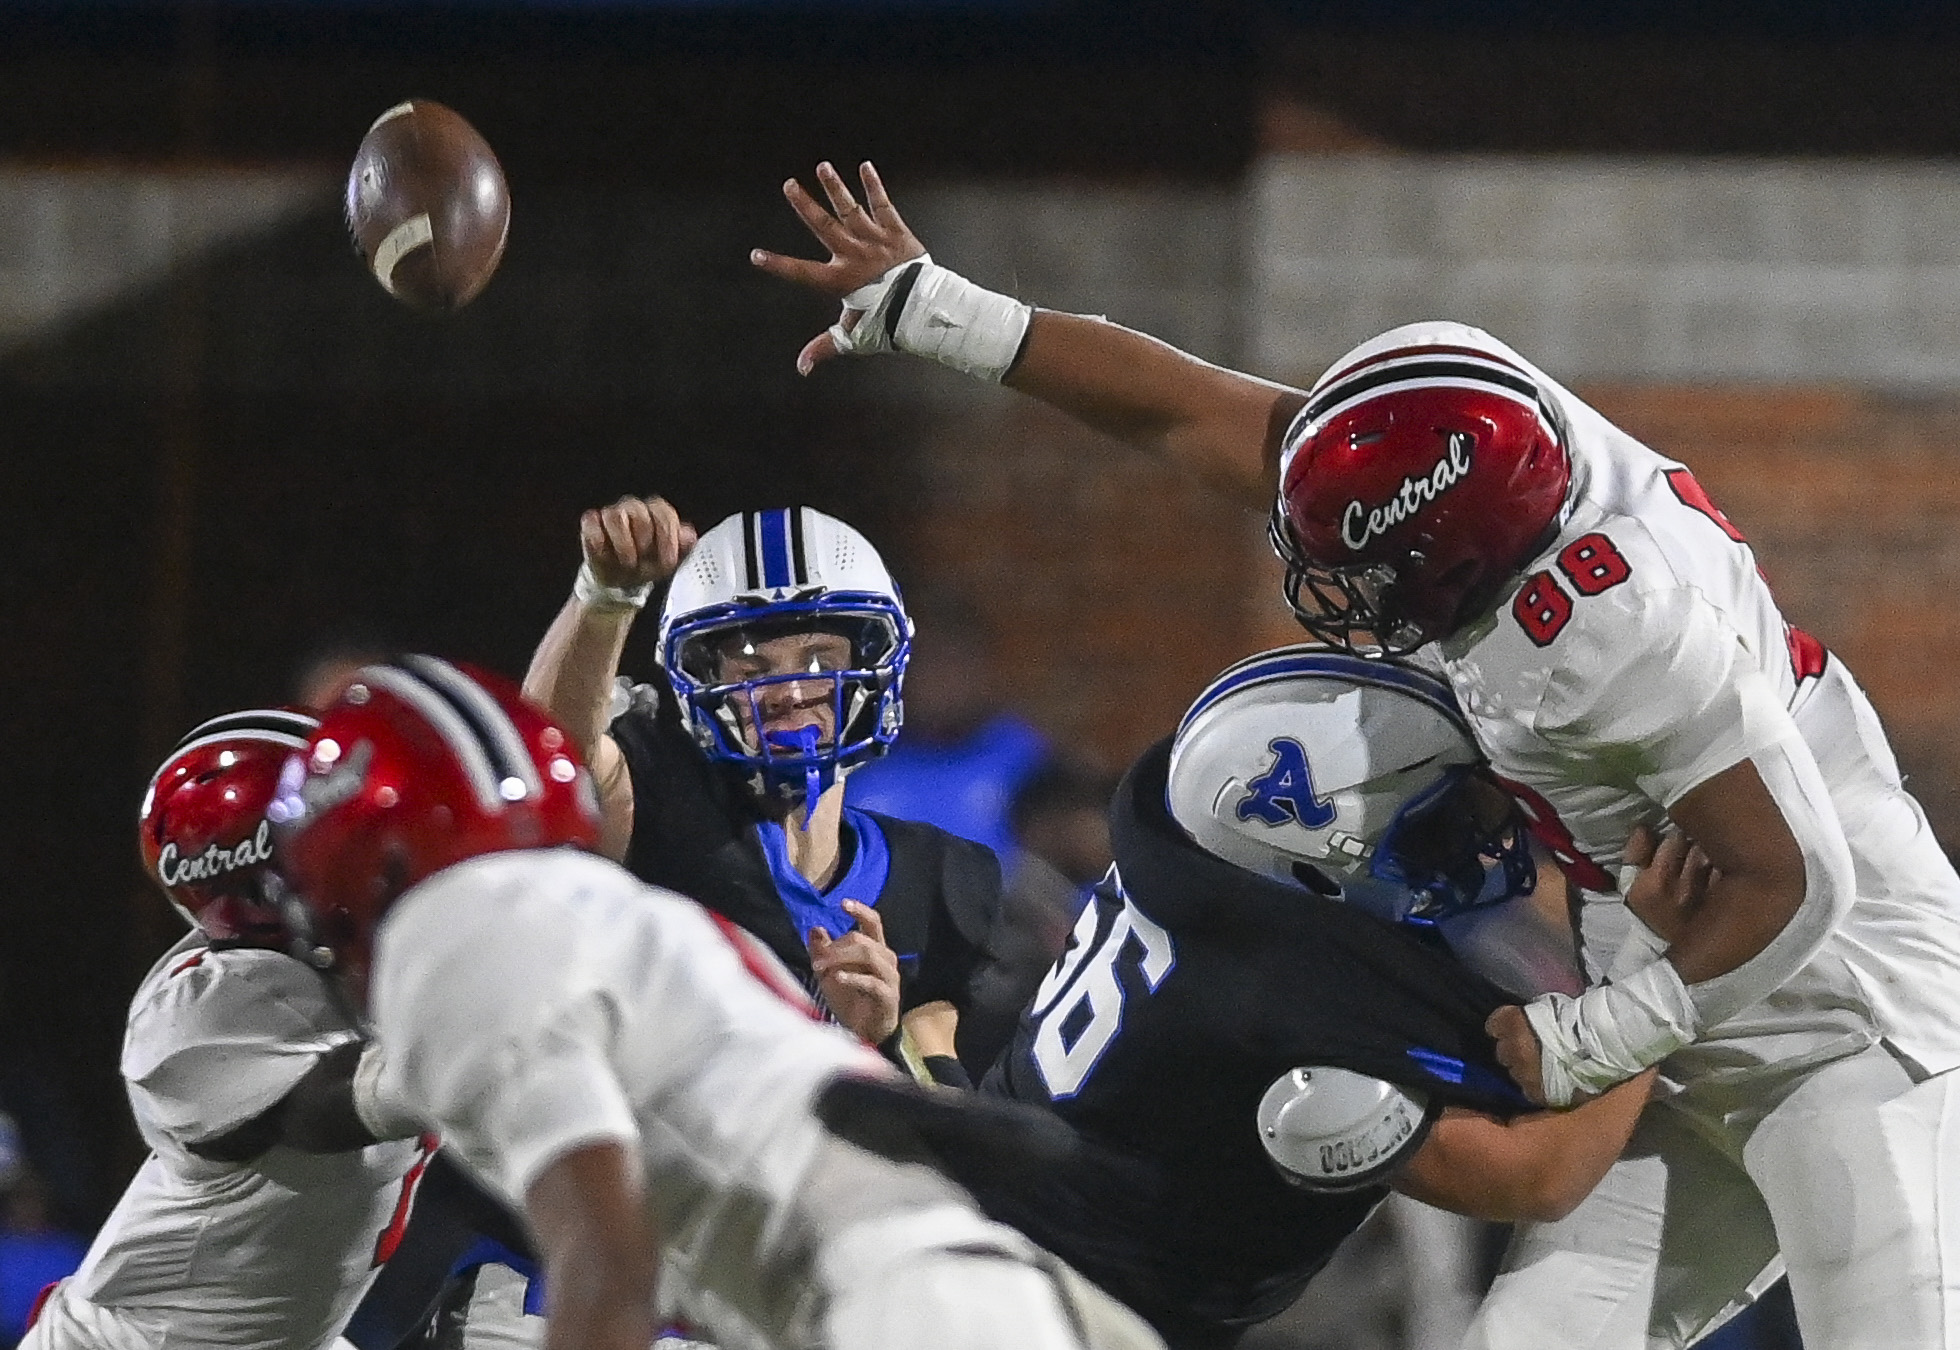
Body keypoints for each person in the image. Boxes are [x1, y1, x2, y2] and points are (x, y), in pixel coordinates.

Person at [752, 162, 1960, 1347]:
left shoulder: (1605, 630)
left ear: (1463, 550)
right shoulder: (1485, 467)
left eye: (1368, 574)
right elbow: (1185, 409)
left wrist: (1604, 1031)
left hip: (1840, 1010)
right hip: (1682, 980)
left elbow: (1796, 883)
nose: (1339, 600)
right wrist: (945, 311)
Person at [274, 653, 1165, 1350]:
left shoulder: (460, 936)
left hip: (887, 1298)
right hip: (970, 1274)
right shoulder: (605, 912)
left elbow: (606, 1264)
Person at [821, 646, 1665, 1350]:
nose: (1481, 846)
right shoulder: (1272, 995)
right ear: (1315, 852)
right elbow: (1538, 1177)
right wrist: (1657, 971)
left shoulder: (1196, 865)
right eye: (1434, 825)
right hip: (1052, 1318)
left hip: (994, 1201)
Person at [524, 499, 1002, 1083]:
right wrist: (604, 599)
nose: (789, 693)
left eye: (819, 660)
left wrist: (878, 1045)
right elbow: (547, 759)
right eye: (752, 670)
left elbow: (952, 1144)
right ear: (702, 680)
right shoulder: (662, 795)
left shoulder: (936, 878)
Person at [22, 709, 428, 1350]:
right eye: (342, 835)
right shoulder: (196, 1010)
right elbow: (333, 1107)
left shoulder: (348, 955)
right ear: (267, 873)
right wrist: (487, 1041)